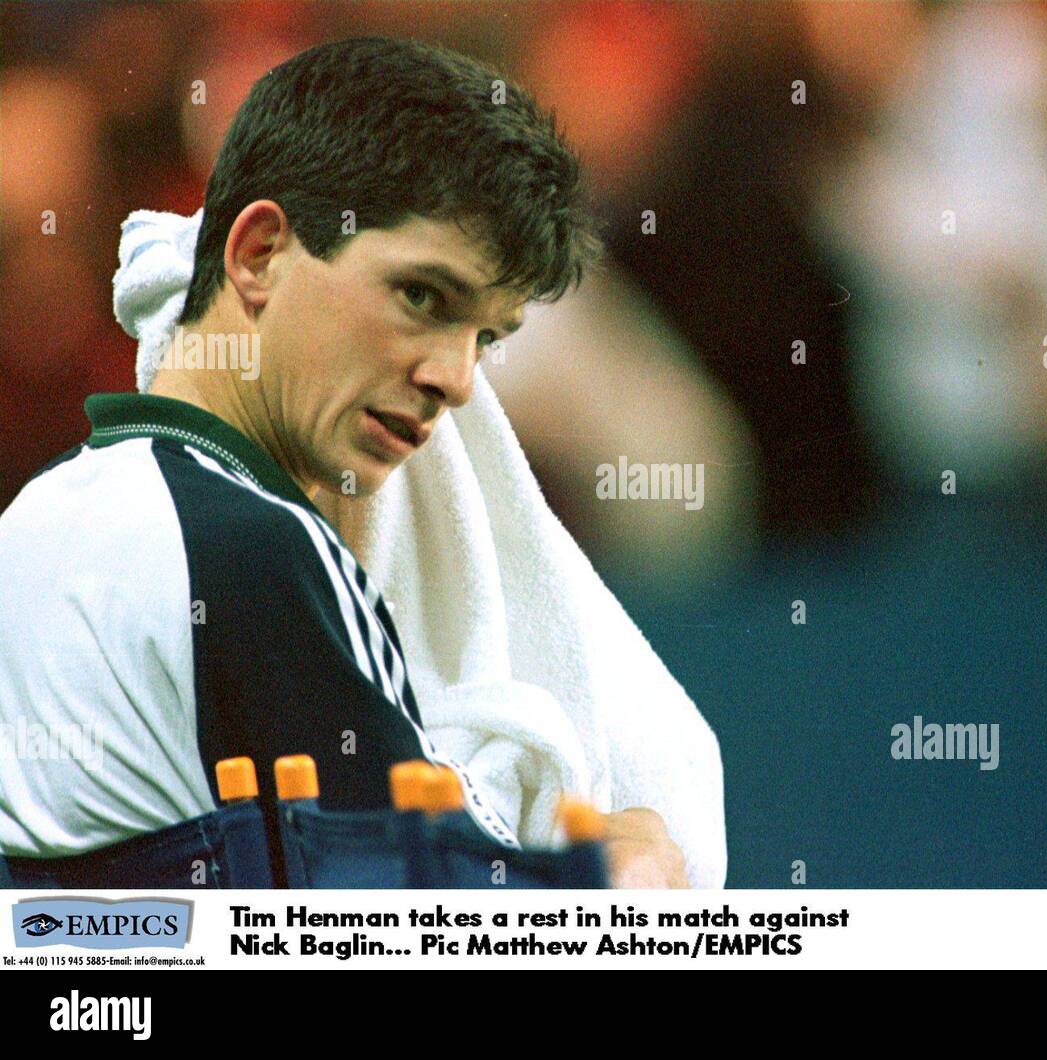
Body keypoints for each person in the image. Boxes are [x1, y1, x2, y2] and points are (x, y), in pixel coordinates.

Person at [0, 37, 691, 888]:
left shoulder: (33, 517)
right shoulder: (254, 549)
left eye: (485, 338)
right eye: (421, 297)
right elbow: (438, 929)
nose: (457, 380)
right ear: (258, 254)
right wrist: (632, 872)